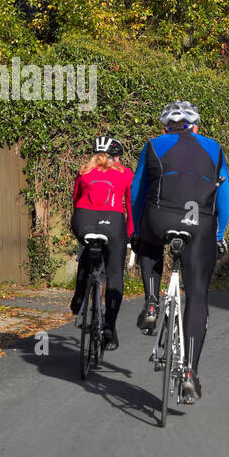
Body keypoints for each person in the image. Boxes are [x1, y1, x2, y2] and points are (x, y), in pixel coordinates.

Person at [129, 101, 229, 403]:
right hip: (199, 223)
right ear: (196, 127)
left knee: (147, 242)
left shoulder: (152, 145)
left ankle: (150, 302)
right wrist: (219, 234)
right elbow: (223, 196)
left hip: (160, 217)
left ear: (165, 128)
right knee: (197, 294)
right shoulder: (215, 148)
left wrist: (136, 230)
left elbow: (137, 191)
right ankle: (189, 372)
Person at [69, 134, 133, 350]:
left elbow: (76, 199)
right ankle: (109, 326)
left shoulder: (84, 171)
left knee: (89, 248)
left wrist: (81, 225)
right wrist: (131, 235)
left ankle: (79, 298)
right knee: (115, 272)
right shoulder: (125, 174)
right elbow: (130, 206)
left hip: (83, 219)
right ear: (116, 157)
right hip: (113, 222)